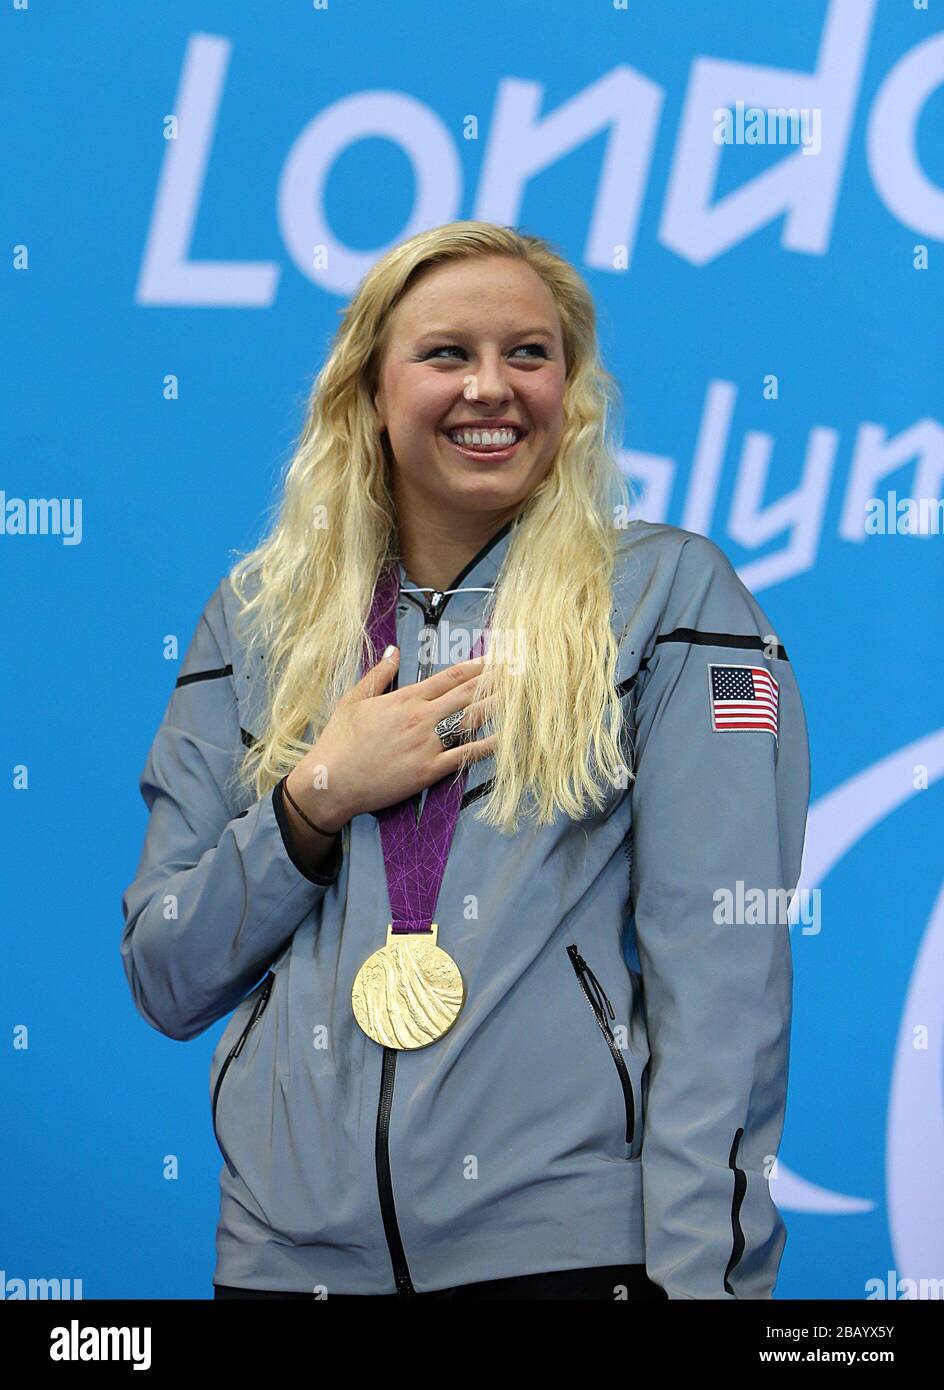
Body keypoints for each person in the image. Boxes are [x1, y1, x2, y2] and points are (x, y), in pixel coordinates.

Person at [120, 220, 810, 1301]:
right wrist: (315, 799)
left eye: (528, 354)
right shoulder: (258, 622)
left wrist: (702, 1291)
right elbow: (165, 973)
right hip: (282, 1266)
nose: (491, 387)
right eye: (447, 353)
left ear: (569, 388)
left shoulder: (668, 601)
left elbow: (723, 993)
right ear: (368, 390)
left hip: (568, 1259)